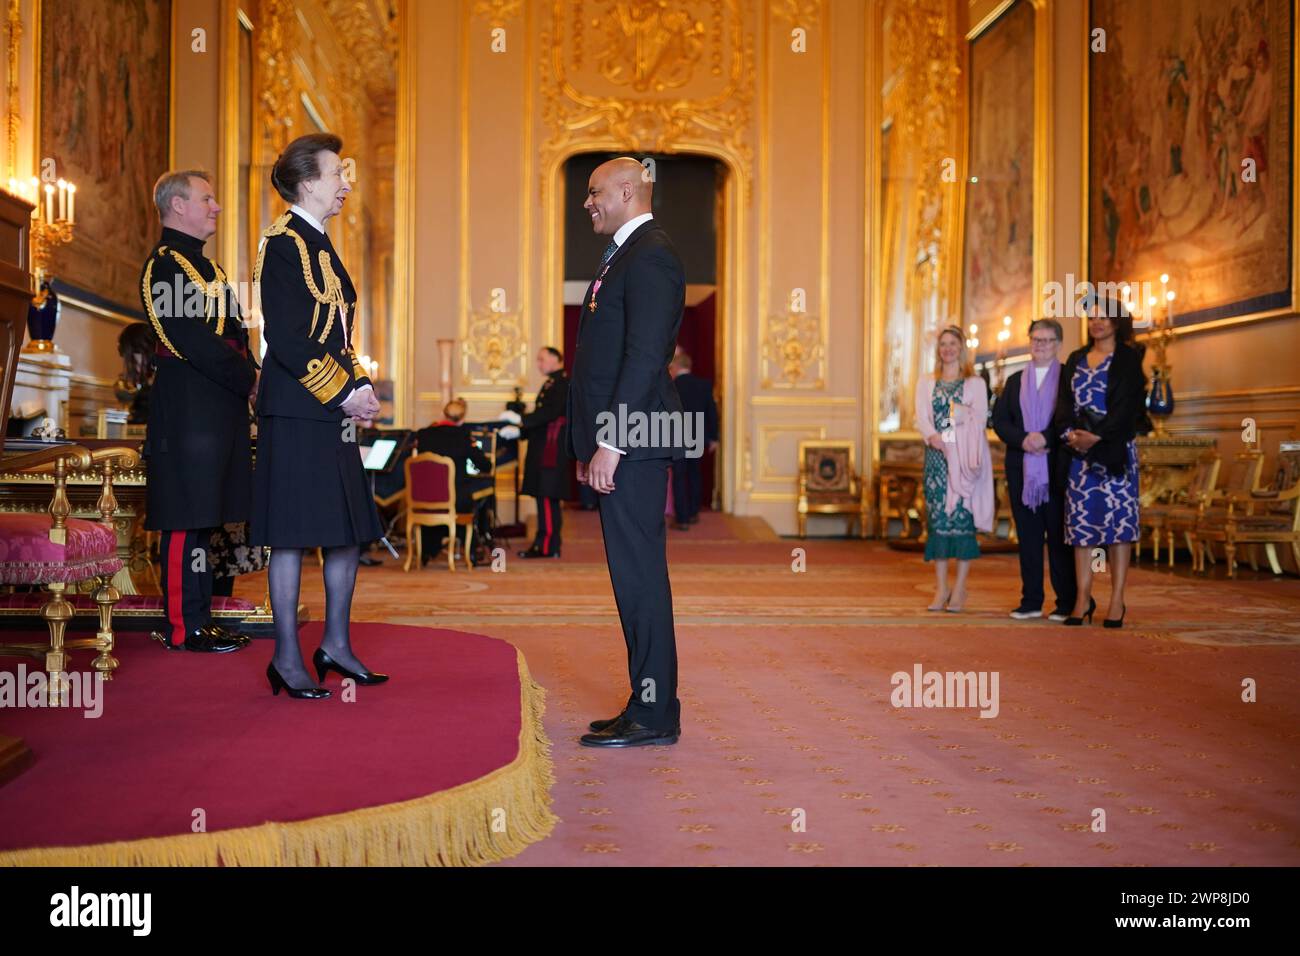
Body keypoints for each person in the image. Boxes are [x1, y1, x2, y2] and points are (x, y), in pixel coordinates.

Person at [251, 132, 386, 698]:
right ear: (307, 182)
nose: (346, 184)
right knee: (291, 537)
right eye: (337, 175)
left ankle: (334, 644)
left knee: (347, 531)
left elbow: (338, 337)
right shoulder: (282, 243)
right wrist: (342, 393)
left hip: (331, 412)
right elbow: (285, 338)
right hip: (297, 410)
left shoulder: (322, 243)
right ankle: (286, 657)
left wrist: (362, 385)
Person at [569, 156, 685, 748]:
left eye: (593, 193)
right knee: (630, 576)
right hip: (622, 439)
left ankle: (655, 714)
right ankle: (647, 701)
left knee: (640, 577)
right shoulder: (623, 255)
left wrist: (611, 440)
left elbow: (644, 357)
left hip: (634, 441)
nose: (586, 202)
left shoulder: (651, 255)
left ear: (624, 190)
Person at [139, 170, 256, 654]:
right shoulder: (165, 266)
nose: (217, 206)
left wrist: (251, 372)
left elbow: (236, 333)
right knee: (187, 519)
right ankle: (183, 627)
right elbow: (190, 340)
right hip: (189, 411)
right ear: (178, 205)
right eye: (207, 198)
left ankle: (203, 616)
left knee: (206, 521)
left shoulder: (212, 270)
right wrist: (248, 377)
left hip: (220, 409)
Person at [1053, 296, 1146, 628]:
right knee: (1082, 529)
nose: (1097, 323)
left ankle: (1117, 599)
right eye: (1092, 318)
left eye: (1104, 317)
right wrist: (1071, 436)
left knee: (1118, 528)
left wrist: (1100, 437)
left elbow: (1128, 408)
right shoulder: (1077, 358)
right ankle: (1082, 598)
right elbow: (1063, 404)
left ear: (1117, 322)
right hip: (1080, 456)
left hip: (1115, 452)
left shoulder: (1128, 359)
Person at [991, 319, 1077, 621]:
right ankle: (1031, 601)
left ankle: (1066, 602)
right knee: (1027, 537)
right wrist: (1023, 439)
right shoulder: (1015, 381)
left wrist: (1046, 437)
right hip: (1021, 468)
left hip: (1056, 468)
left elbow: (1073, 419)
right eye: (1035, 340)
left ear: (1058, 344)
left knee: (1057, 537)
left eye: (1046, 340)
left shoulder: (1069, 377)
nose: (1039, 345)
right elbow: (1000, 421)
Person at [913, 325, 994, 613]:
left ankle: (960, 588)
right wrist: (935, 437)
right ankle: (941, 587)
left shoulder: (975, 383)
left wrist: (952, 416)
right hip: (936, 457)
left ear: (961, 348)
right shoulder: (926, 381)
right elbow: (921, 417)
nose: (947, 348)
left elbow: (979, 417)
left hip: (963, 458)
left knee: (961, 521)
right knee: (939, 523)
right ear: (938, 350)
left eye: (953, 343)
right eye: (943, 344)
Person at [415, 398, 493, 563]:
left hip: (424, 498)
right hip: (455, 500)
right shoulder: (463, 436)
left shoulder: (424, 435)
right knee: (479, 497)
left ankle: (427, 550)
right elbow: (485, 466)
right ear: (462, 419)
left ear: (444, 414)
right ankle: (472, 549)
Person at [512, 347, 572, 558]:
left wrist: (521, 422)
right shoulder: (552, 383)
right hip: (546, 446)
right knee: (544, 497)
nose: (538, 363)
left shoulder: (561, 384)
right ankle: (544, 543)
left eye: (542, 359)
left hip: (551, 449)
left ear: (556, 359)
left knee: (547, 496)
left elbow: (549, 413)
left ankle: (547, 546)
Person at [668, 351, 719, 530]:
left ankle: (682, 518)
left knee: (679, 476)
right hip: (697, 435)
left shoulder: (671, 387)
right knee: (694, 474)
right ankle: (693, 512)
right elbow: (711, 412)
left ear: (675, 367)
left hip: (676, 437)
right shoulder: (703, 385)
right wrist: (714, 437)